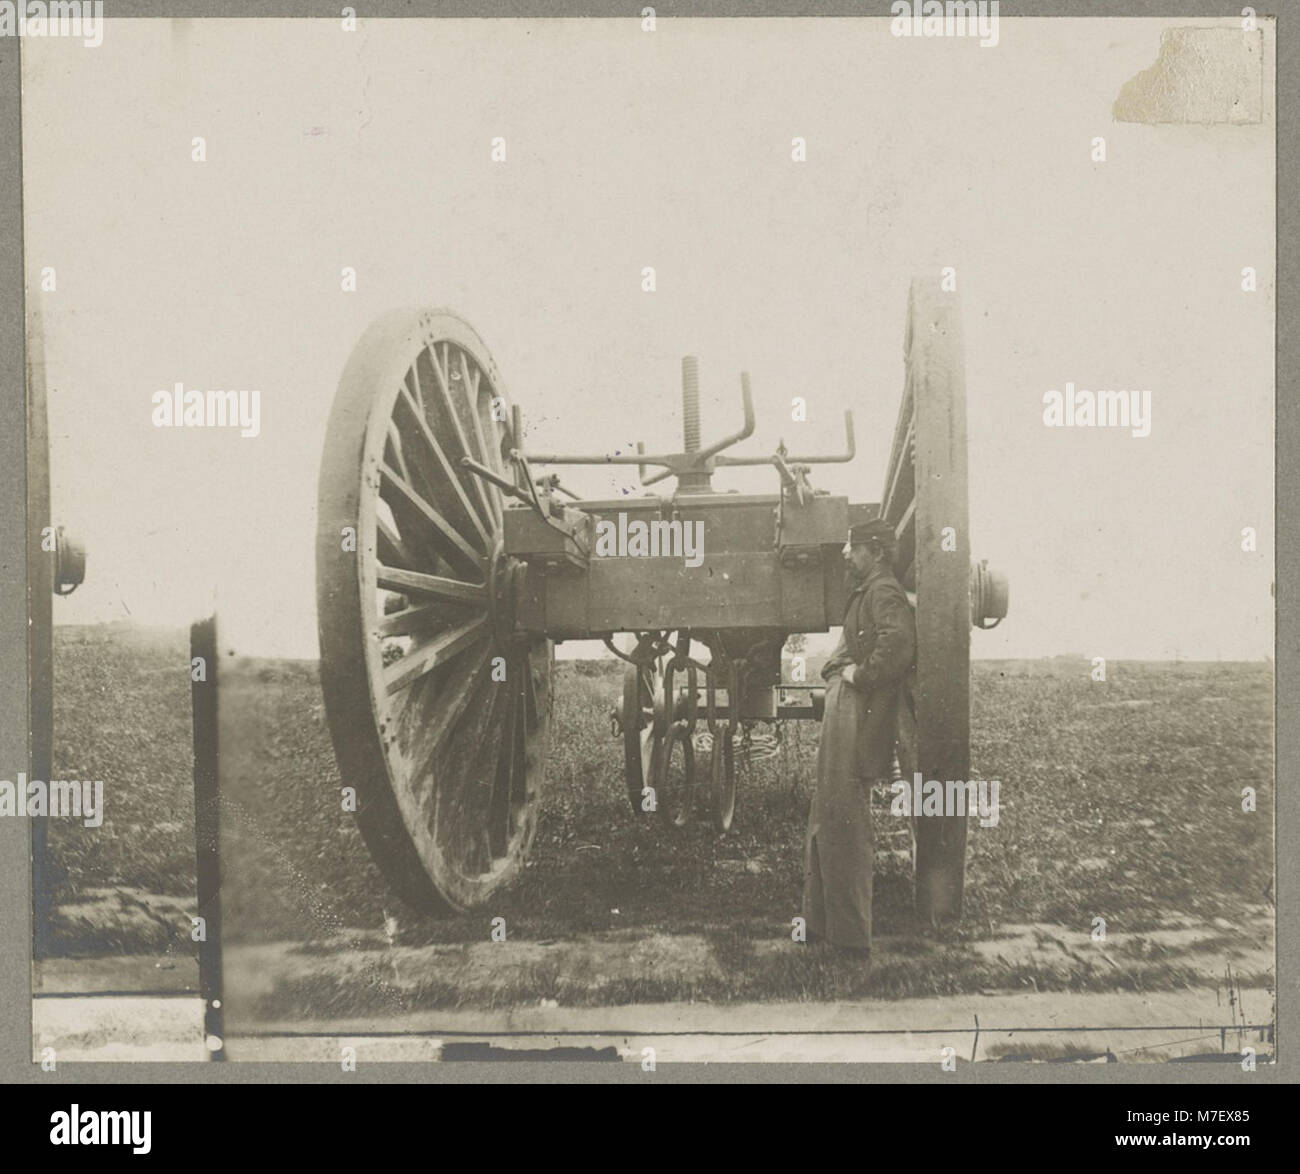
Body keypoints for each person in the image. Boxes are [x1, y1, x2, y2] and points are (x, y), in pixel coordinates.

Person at [803, 518, 916, 960]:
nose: (846, 554)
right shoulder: (868, 591)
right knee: (826, 814)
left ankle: (849, 938)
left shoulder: (882, 591)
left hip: (855, 709)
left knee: (844, 820)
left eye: (854, 547)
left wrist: (859, 675)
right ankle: (820, 924)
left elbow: (900, 644)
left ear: (877, 552)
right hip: (844, 706)